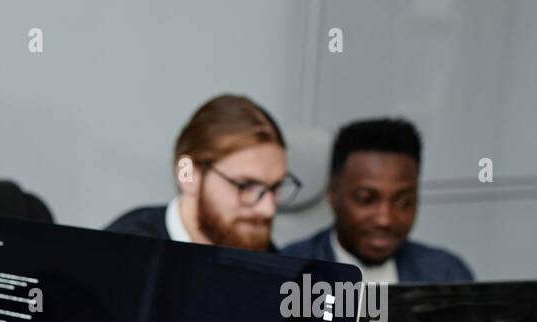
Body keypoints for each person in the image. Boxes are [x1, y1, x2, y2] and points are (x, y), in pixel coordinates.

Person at [281, 117, 474, 282]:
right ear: (333, 194)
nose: (385, 219)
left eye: (403, 202)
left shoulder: (446, 275)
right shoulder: (286, 272)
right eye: (366, 199)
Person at [105, 93, 300, 252]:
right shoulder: (122, 252)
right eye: (246, 185)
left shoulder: (267, 258)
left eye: (276, 187)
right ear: (189, 176)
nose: (268, 209)